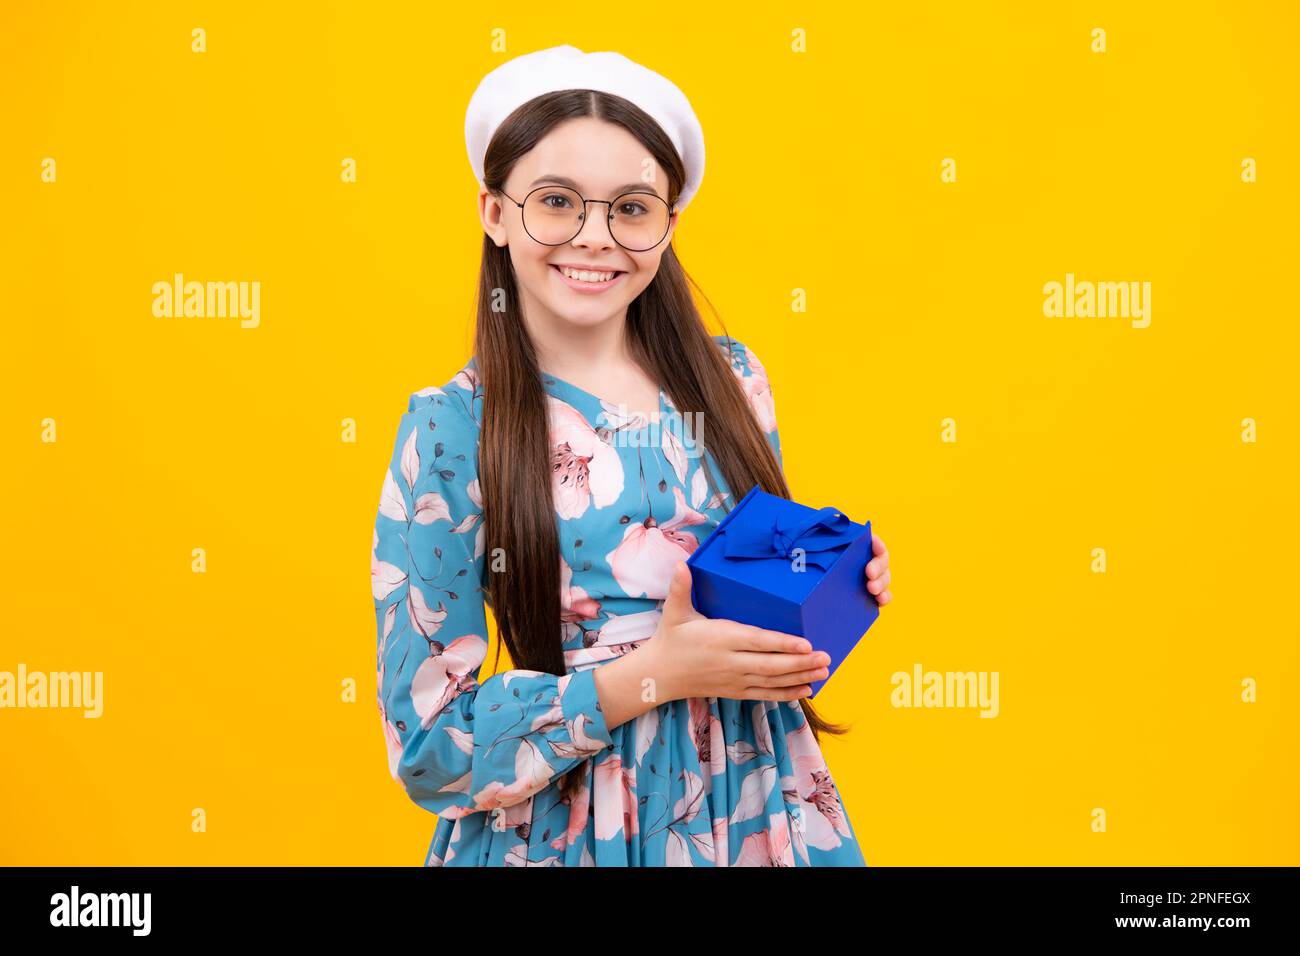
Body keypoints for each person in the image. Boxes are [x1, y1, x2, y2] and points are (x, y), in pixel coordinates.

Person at [371, 45, 893, 866]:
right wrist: (651, 675)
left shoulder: (735, 379)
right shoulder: (450, 428)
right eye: (555, 201)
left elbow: (742, 601)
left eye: (631, 208)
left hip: (758, 808)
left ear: (670, 223)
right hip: (571, 830)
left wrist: (827, 581)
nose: (594, 237)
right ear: (494, 212)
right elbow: (429, 744)